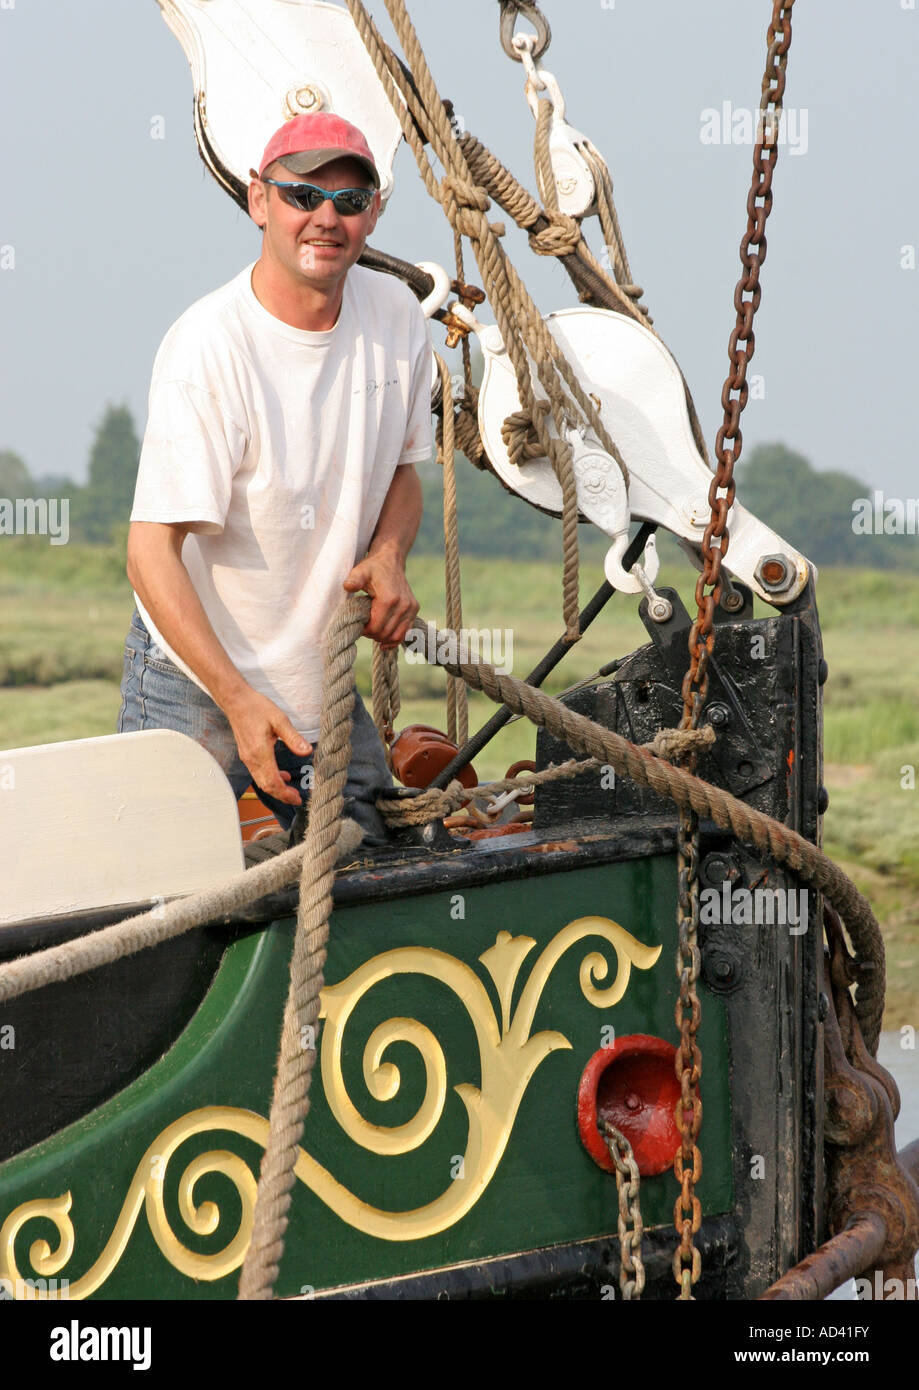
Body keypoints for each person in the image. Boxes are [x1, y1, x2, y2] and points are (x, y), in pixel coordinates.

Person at [117, 113, 432, 844]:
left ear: (373, 213)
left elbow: (402, 477)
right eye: (301, 196)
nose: (326, 219)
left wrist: (386, 556)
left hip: (318, 681)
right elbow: (148, 552)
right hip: (193, 682)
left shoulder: (397, 320)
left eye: (349, 202)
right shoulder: (207, 348)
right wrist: (235, 698)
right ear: (259, 201)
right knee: (150, 898)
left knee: (365, 875)